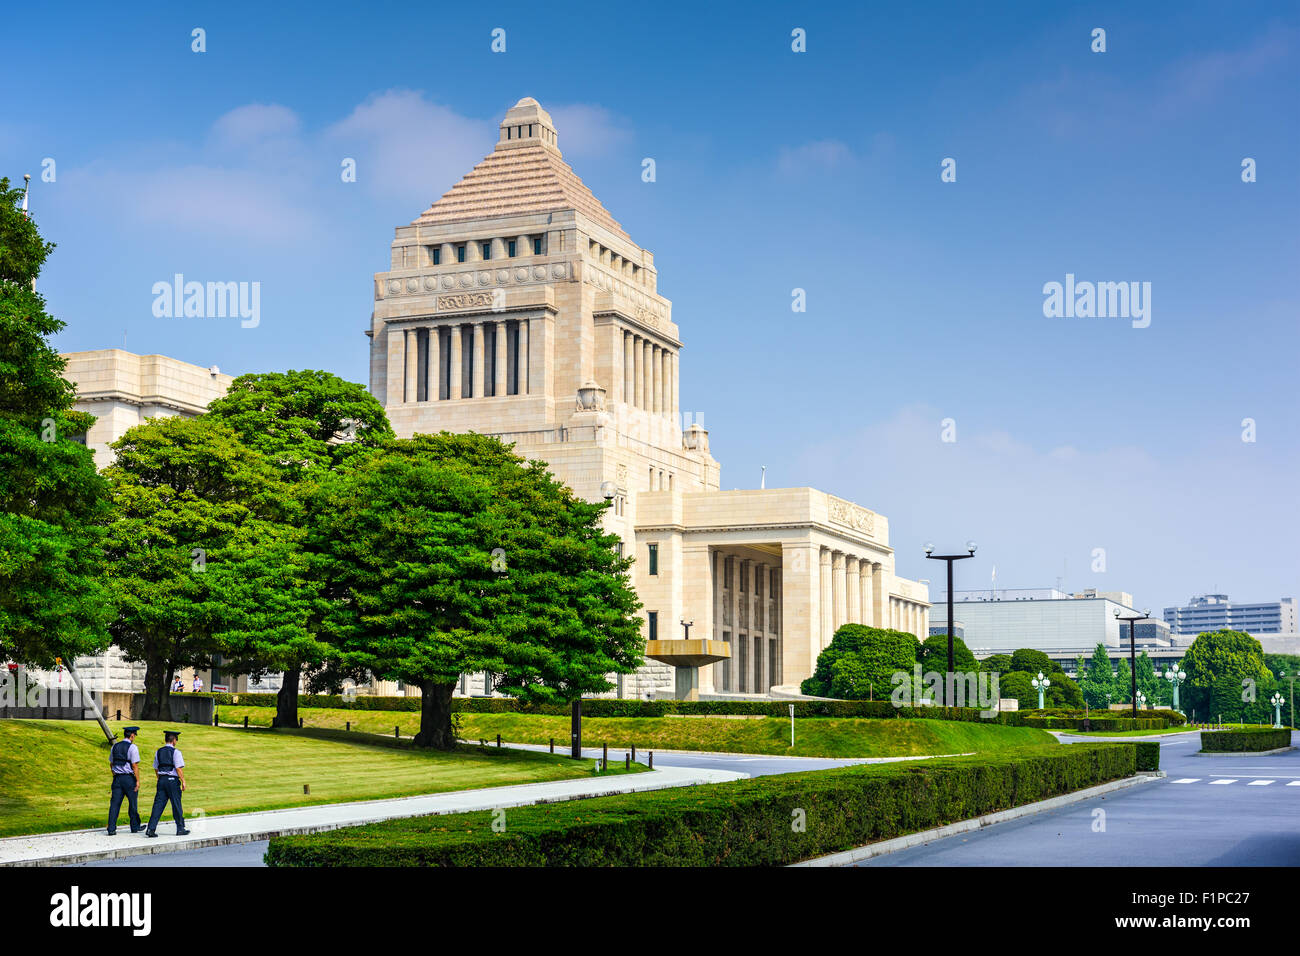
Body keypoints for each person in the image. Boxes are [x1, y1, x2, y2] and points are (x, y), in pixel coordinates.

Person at [144, 731, 190, 838]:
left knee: (158, 805)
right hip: (172, 781)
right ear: (174, 740)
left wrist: (160, 778)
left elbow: (156, 767)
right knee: (176, 804)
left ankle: (151, 828)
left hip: (162, 780)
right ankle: (180, 828)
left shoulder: (158, 751)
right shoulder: (176, 752)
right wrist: (183, 780)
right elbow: (178, 768)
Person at [107, 726, 143, 835]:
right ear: (132, 735)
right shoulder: (133, 748)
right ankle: (135, 826)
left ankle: (111, 828)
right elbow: (134, 765)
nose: (134, 737)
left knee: (115, 804)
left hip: (117, 778)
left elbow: (111, 763)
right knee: (132, 803)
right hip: (128, 779)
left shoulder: (115, 746)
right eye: (134, 735)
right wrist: (137, 781)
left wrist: (115, 773)